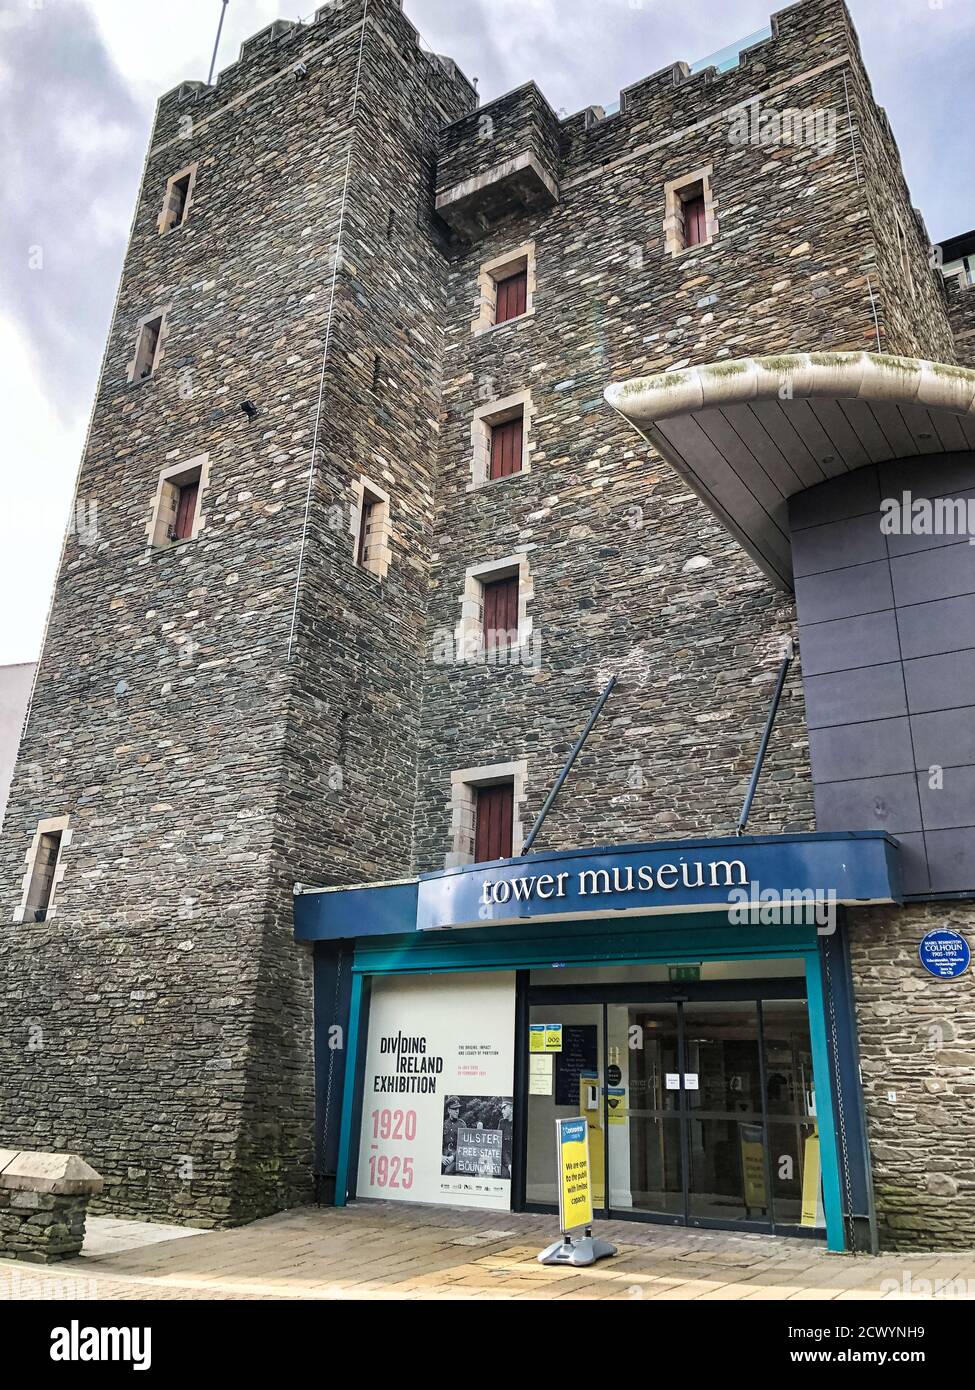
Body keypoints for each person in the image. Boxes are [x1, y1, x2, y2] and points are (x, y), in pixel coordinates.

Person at [442, 1096, 463, 1174]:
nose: (457, 1111)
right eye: (454, 1109)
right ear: (449, 1110)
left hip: (455, 1158)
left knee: (448, 1171)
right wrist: (441, 1157)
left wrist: (453, 1157)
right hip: (443, 1157)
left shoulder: (462, 1125)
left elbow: (463, 1147)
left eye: (458, 1109)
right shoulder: (443, 1125)